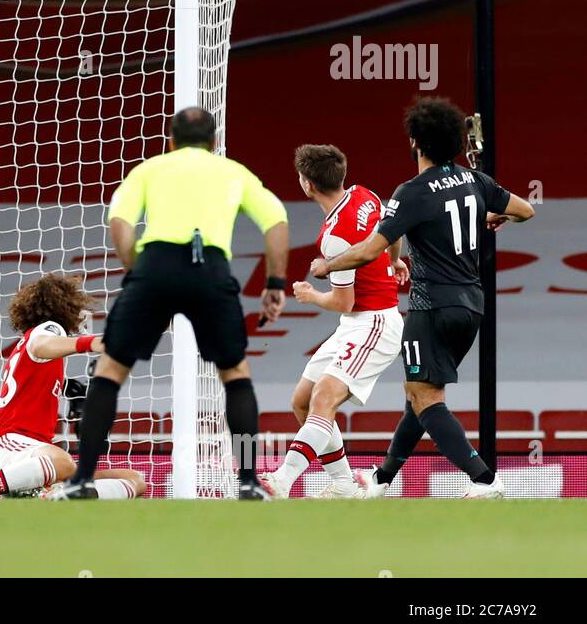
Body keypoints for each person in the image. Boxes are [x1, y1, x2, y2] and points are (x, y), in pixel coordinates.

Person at [48, 107, 289, 500]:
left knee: (109, 371)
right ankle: (248, 483)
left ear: (171, 140)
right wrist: (275, 284)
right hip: (210, 268)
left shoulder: (150, 168)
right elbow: (276, 221)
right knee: (235, 374)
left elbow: (120, 222)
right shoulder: (232, 171)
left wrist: (136, 271)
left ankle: (82, 480)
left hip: (154, 266)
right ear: (213, 143)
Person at [311, 97, 535, 499]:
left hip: (431, 306)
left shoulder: (412, 192)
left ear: (416, 142)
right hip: (471, 305)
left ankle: (484, 480)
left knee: (425, 397)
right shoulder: (474, 181)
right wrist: (495, 215)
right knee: (418, 393)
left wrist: (328, 266)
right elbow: (525, 210)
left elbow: (370, 248)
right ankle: (382, 480)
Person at [257, 145, 405, 499]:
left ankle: (282, 479)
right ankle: (342, 483)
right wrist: (396, 261)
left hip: (374, 324)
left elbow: (342, 301)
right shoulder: (365, 195)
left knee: (324, 396)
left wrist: (310, 296)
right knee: (303, 401)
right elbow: (395, 233)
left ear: (307, 185)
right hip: (357, 323)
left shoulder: (335, 237)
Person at [0, 274, 147, 500]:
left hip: (33, 455)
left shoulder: (38, 358)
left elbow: (37, 377)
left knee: (134, 479)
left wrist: (71, 390)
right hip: (11, 443)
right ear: (63, 305)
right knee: (62, 462)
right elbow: (41, 346)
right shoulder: (48, 329)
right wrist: (91, 343)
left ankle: (53, 495)